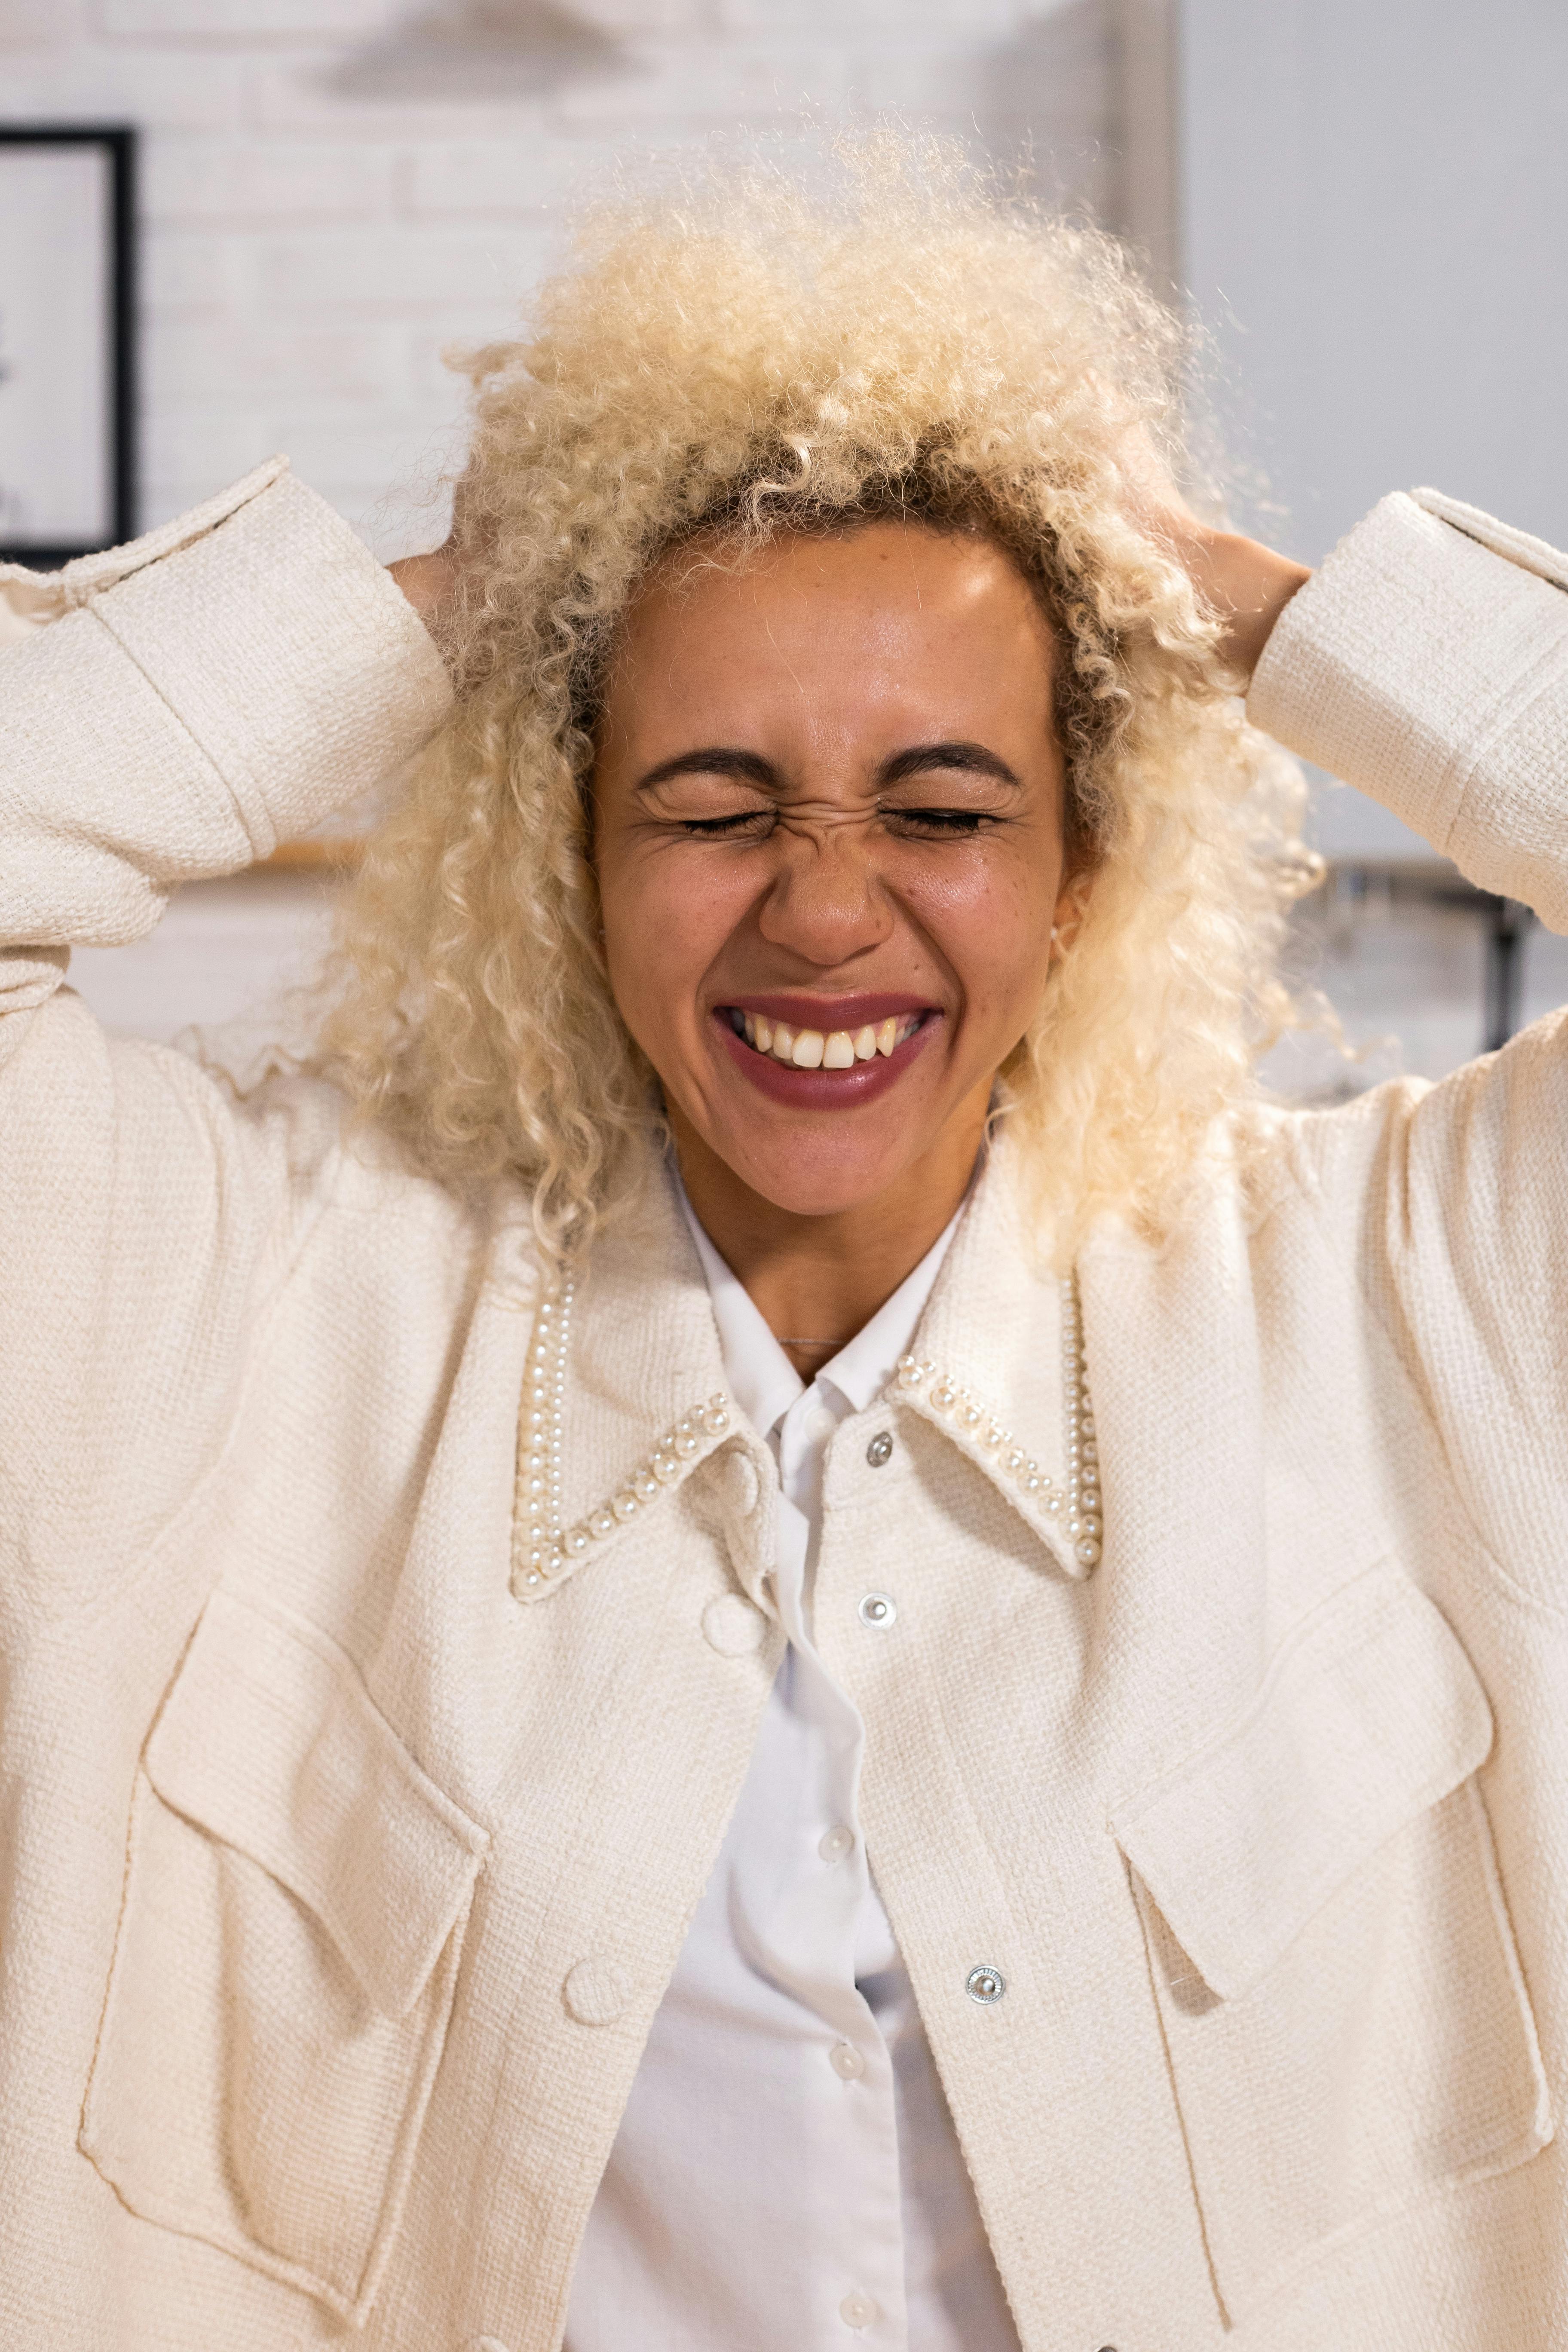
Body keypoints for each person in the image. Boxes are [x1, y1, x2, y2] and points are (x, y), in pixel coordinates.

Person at [1, 148, 1565, 2352]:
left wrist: (1236, 602)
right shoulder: (244, 1301)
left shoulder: (1405, 1299)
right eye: (716, 807)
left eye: (941, 810)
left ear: (1082, 877)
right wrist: (460, 601)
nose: (826, 911)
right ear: (575, 862)